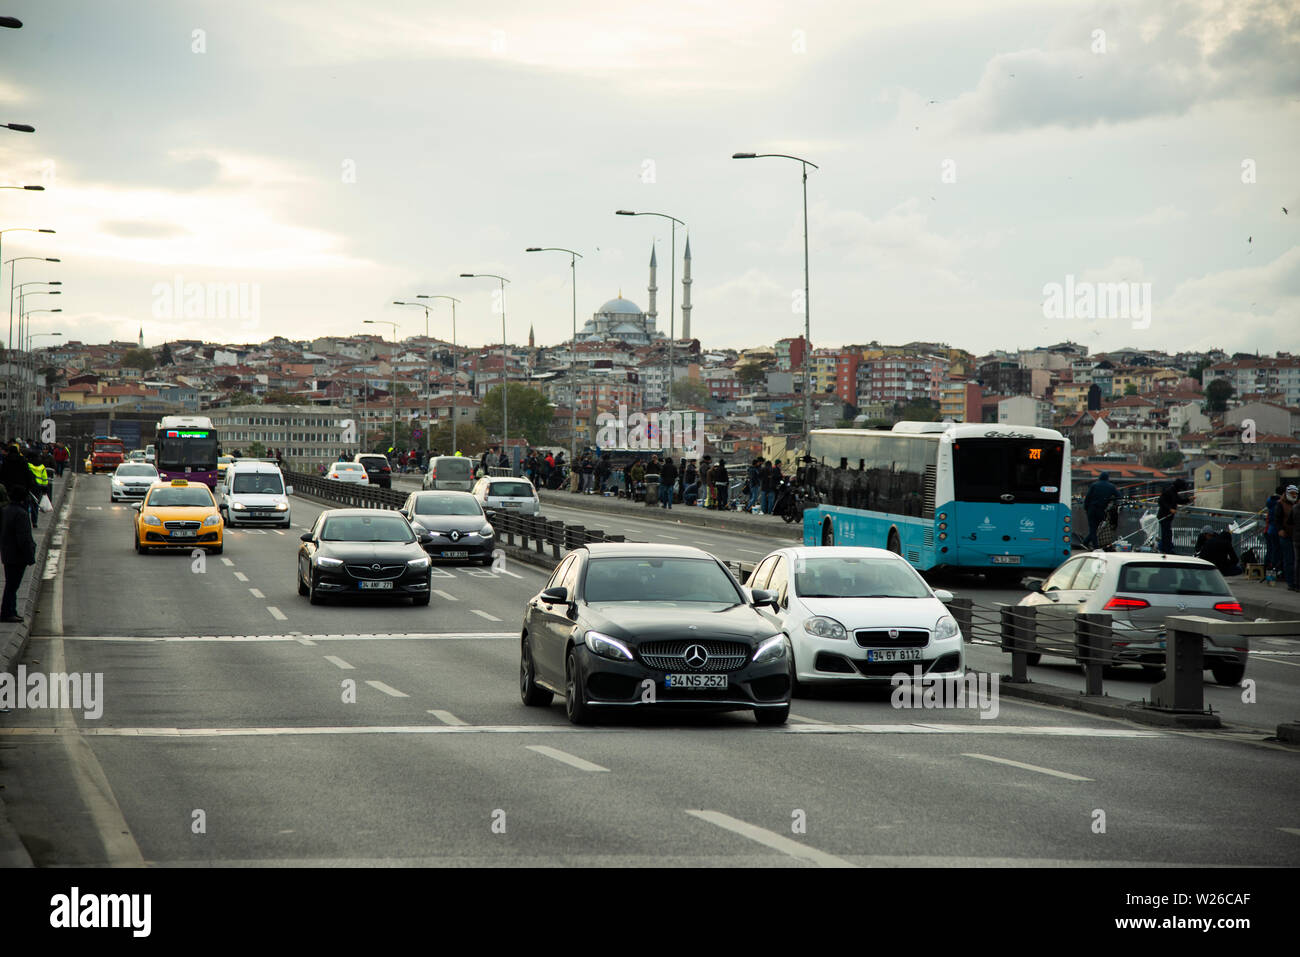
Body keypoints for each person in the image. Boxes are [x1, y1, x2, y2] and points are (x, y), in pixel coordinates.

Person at [1, 484, 38, 623]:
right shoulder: (21, 514)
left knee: (11, 584)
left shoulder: (5, 510)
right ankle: (7, 612)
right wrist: (30, 556)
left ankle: (12, 611)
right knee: (12, 586)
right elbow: (24, 538)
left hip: (7, 553)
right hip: (17, 556)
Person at [1082, 470, 1119, 549]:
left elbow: (1087, 498)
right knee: (1096, 528)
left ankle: (1095, 547)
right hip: (1101, 510)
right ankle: (1086, 542)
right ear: (1107, 478)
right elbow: (1118, 496)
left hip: (1091, 509)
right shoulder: (1111, 486)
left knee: (1092, 528)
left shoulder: (1094, 485)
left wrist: (1085, 508)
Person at [1156, 478, 1190, 554]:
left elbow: (1179, 500)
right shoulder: (1169, 491)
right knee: (1166, 534)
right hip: (1164, 516)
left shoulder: (1174, 492)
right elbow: (1161, 501)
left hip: (1169, 517)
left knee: (1168, 533)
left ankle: (1167, 549)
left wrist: (1188, 499)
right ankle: (1166, 550)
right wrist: (1170, 509)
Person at [1279, 485, 1300, 591]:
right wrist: (1281, 530)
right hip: (1287, 536)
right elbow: (1278, 519)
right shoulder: (1281, 504)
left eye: (1295, 493)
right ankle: (1292, 582)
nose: (1293, 495)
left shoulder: (1295, 507)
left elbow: (1290, 521)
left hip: (1294, 536)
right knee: (1290, 560)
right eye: (1292, 493)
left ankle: (1294, 583)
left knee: (1295, 561)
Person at [1264, 485, 1284, 576]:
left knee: (1270, 550)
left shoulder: (1270, 501)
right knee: (1277, 550)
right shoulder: (1280, 503)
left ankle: (1268, 568)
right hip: (1277, 530)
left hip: (1269, 529)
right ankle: (1276, 570)